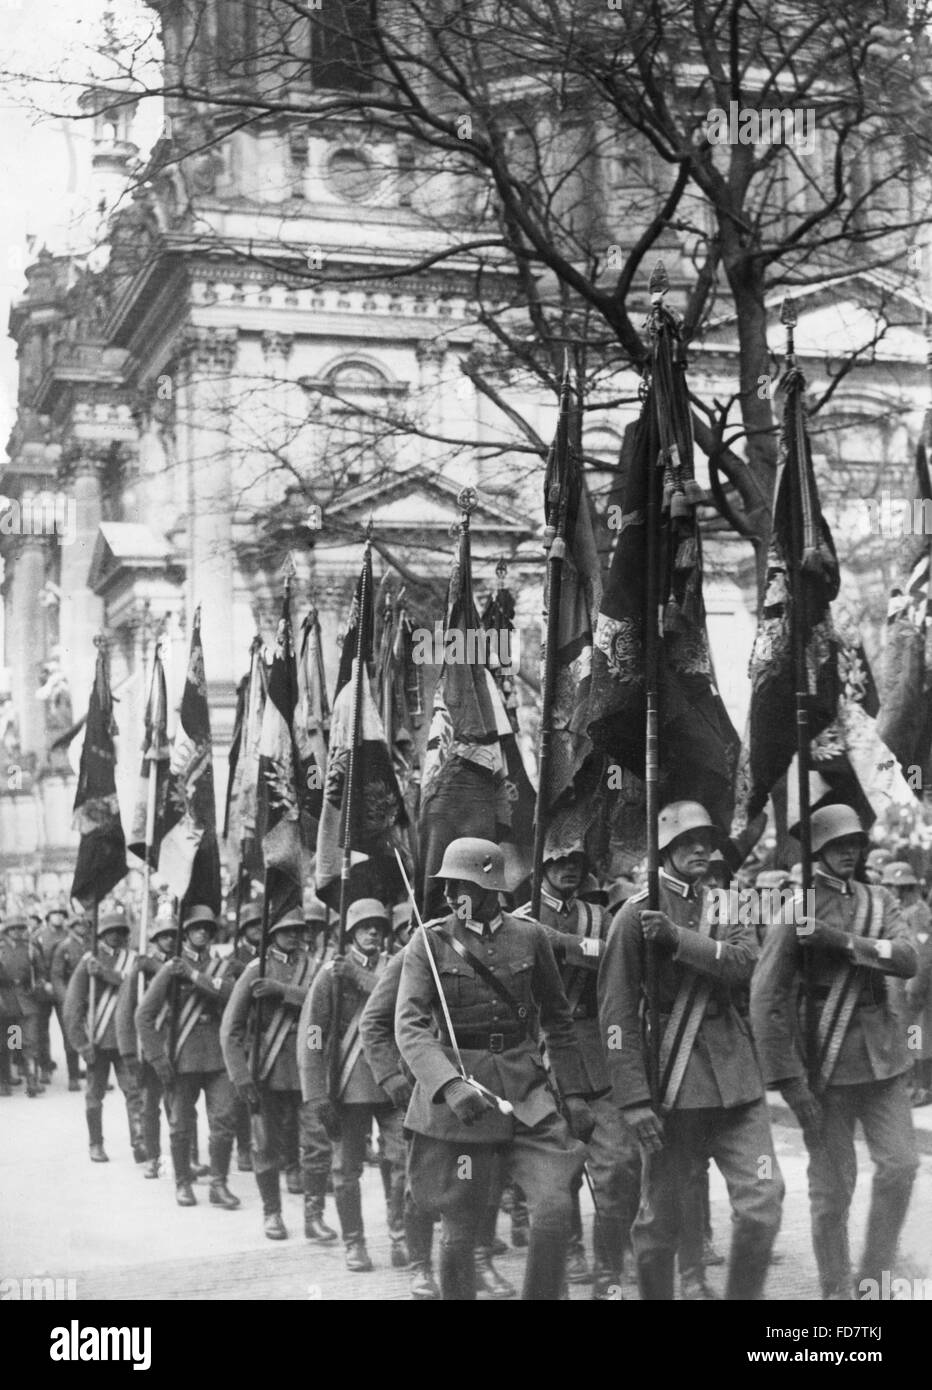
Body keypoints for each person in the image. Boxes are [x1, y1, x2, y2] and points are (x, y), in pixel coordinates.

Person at [599, 801, 784, 1302]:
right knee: (660, 1223)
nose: (701, 848)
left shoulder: (729, 903)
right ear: (665, 849)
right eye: (687, 841)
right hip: (672, 1087)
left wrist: (678, 938)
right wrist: (634, 1100)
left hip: (736, 1080)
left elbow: (746, 964)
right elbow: (616, 1019)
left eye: (706, 839)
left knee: (764, 1201)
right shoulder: (633, 916)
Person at [396, 837, 594, 1301]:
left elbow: (559, 1022)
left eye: (459, 887)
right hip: (462, 1108)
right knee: (461, 1227)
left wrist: (578, 1094)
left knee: (552, 1211)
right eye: (445, 886)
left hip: (527, 1099)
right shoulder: (429, 943)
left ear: (490, 888)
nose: (448, 896)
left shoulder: (531, 937)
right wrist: (448, 1084)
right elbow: (410, 1027)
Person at [751, 803, 919, 1300]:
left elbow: (907, 959)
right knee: (831, 1191)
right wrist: (788, 1081)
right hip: (824, 1065)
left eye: (855, 844)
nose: (849, 853)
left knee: (902, 1167)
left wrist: (839, 940)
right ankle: (837, 1289)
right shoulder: (795, 907)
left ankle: (875, 1268)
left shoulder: (879, 899)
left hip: (884, 1061)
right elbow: (767, 998)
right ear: (820, 849)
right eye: (838, 845)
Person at [515, 837, 641, 1298]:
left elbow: (612, 957)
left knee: (620, 1162)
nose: (568, 868)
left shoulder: (598, 917)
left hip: (591, 1049)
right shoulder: (519, 919)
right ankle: (568, 1249)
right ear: (541, 866)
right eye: (558, 860)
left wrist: (560, 943)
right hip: (536, 1052)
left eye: (575, 860)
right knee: (557, 1165)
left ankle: (610, 1260)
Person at [299, 898, 407, 1273]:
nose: (372, 932)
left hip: (392, 1081)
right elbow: (313, 1032)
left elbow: (402, 1004)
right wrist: (315, 1090)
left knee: (403, 1162)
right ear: (350, 933)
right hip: (348, 1083)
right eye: (364, 927)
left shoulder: (397, 967)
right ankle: (354, 1243)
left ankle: (400, 1237)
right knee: (346, 1171)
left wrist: (359, 978)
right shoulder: (331, 974)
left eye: (378, 926)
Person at [135, 903, 241, 1209]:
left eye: (208, 929)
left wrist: (194, 975)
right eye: (196, 928)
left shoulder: (222, 967)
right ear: (186, 932)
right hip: (182, 1058)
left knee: (223, 1121)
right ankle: (182, 1183)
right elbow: (144, 1015)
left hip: (218, 1059)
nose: (202, 933)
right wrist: (157, 1058)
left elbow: (231, 995)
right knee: (181, 1124)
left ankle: (219, 1184)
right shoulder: (170, 969)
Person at [220, 907, 317, 1240]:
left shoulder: (312, 968)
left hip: (306, 1071)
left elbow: (323, 1004)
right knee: (265, 1145)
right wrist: (240, 1076)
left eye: (298, 929)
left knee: (317, 1144)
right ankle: (272, 1213)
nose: (293, 934)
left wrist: (282, 991)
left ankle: (314, 1216)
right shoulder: (254, 970)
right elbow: (230, 1029)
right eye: (286, 929)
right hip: (267, 1071)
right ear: (271, 932)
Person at [63, 909, 145, 1163]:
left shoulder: (133, 960)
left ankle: (140, 1142)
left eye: (119, 932)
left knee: (134, 1092)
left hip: (126, 1041)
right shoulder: (89, 961)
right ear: (101, 935)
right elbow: (72, 1007)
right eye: (109, 932)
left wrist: (106, 975)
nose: (115, 937)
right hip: (97, 1041)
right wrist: (80, 1043)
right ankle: (95, 1144)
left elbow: (139, 987)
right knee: (94, 1096)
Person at [115, 913, 178, 1178]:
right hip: (150, 1046)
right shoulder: (141, 969)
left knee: (179, 1105)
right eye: (164, 936)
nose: (169, 940)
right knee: (150, 1104)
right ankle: (152, 1156)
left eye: (173, 936)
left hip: (176, 1044)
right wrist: (129, 1051)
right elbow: (126, 1012)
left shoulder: (181, 965)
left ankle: (186, 1157)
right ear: (155, 940)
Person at [226, 900, 264, 1172]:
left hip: (267, 1035)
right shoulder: (234, 959)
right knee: (242, 1095)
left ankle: (269, 1144)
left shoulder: (271, 954)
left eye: (261, 924)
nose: (257, 929)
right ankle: (243, 1147)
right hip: (244, 1033)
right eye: (252, 925)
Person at [0, 915, 46, 1097]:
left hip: (27, 1002)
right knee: (8, 1043)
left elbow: (41, 973)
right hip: (5, 1002)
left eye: (21, 928)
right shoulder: (1, 950)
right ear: (7, 931)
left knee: (30, 1041)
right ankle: (5, 1079)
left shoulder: (31, 949)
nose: (18, 932)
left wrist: (40, 985)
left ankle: (32, 1080)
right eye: (14, 929)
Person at [49, 913, 90, 1092]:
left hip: (89, 997)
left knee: (91, 1036)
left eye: (84, 925)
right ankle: (73, 1076)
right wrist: (66, 999)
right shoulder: (63, 947)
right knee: (70, 1037)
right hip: (69, 998)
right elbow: (56, 976)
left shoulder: (91, 945)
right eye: (78, 925)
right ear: (72, 927)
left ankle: (93, 1074)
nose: (82, 928)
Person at [33, 904, 69, 1085]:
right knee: (41, 1031)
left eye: (61, 914)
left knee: (70, 1028)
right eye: (55, 913)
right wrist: (42, 982)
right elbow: (33, 964)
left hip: (64, 987)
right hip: (44, 988)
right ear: (48, 917)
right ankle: (44, 1068)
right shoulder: (38, 937)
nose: (58, 917)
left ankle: (75, 1071)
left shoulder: (70, 935)